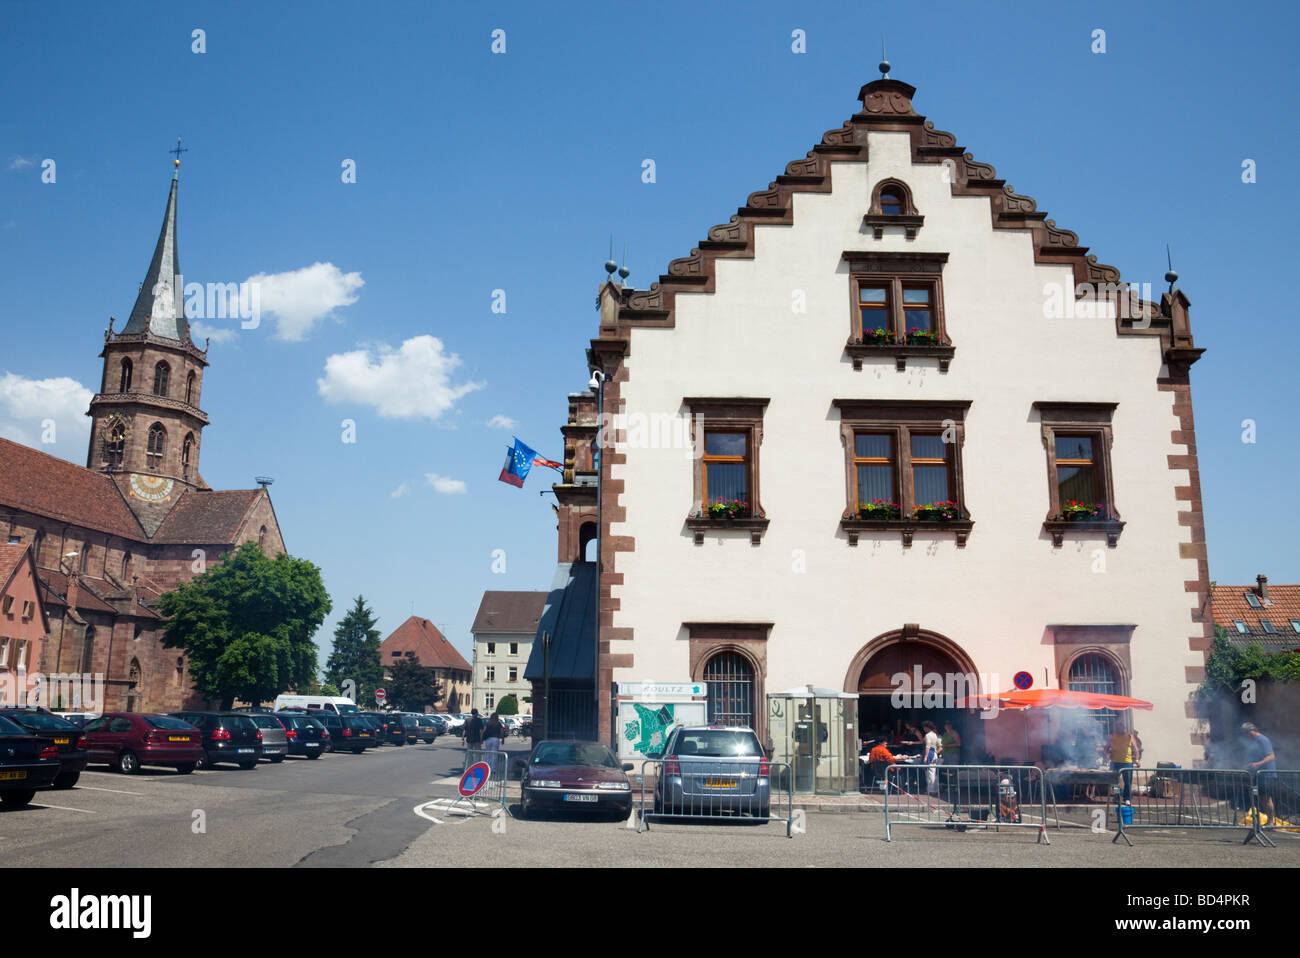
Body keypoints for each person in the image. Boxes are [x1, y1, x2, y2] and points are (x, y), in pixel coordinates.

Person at [1242, 722, 1277, 821]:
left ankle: (1272, 821)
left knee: (1266, 799)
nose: (1245, 735)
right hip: (1260, 775)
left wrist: (1257, 764)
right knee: (1262, 799)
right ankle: (1270, 820)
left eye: (1246, 733)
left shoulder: (1263, 740)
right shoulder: (1254, 741)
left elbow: (1271, 756)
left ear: (1251, 731)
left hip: (1267, 774)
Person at [1107, 724, 1140, 803]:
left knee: (1128, 782)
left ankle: (1127, 799)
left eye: (1122, 727)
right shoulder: (1112, 736)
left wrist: (1137, 760)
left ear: (1124, 728)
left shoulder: (1129, 736)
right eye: (1118, 727)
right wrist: (1106, 757)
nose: (1120, 729)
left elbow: (1135, 748)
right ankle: (1116, 796)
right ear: (1116, 728)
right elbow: (1106, 747)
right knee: (1115, 782)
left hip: (1127, 763)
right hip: (1115, 762)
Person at [922, 720, 942, 796]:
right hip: (934, 753)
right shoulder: (935, 735)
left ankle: (931, 790)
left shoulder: (928, 735)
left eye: (924, 727)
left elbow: (928, 746)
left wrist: (926, 757)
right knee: (933, 772)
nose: (924, 729)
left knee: (929, 773)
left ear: (927, 727)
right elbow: (939, 746)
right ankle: (934, 789)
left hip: (930, 753)